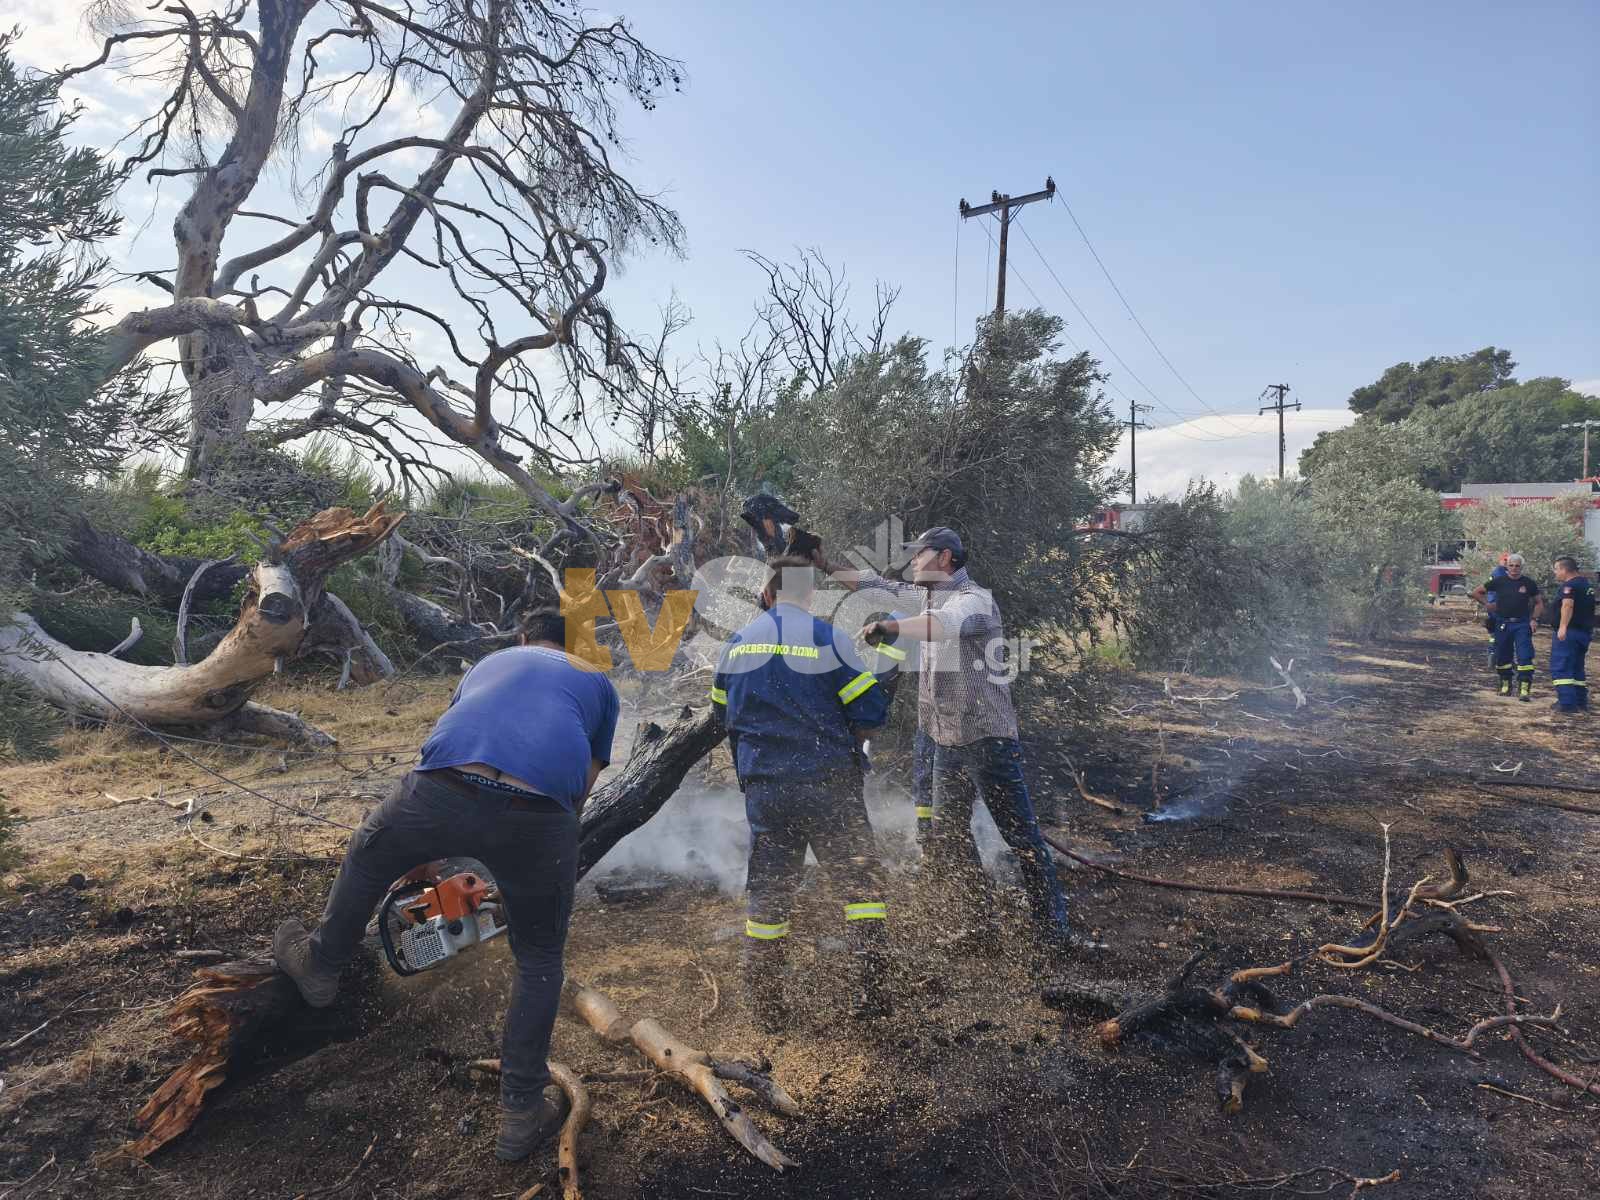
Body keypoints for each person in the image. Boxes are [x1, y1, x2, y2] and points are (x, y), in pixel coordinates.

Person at [272, 609, 619, 1163]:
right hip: (541, 816)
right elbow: (582, 785)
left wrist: (422, 851)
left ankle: (322, 964)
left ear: (523, 637)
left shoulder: (494, 660)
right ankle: (520, 1113)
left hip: (441, 789)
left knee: (367, 854)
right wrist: (538, 856)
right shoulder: (599, 682)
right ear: (572, 647)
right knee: (539, 958)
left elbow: (450, 741)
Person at [825, 527, 1095, 959]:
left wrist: (891, 626)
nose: (912, 560)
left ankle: (1054, 934)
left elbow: (939, 628)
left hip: (987, 741)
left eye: (920, 554)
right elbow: (875, 585)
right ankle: (981, 926)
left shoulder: (973, 600)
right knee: (949, 837)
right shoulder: (927, 595)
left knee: (1022, 839)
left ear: (946, 557)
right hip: (947, 740)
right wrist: (822, 562)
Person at [711, 555, 895, 1032]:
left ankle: (766, 1005)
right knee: (861, 889)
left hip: (767, 790)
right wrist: (888, 663)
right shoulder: (827, 638)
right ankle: (871, 993)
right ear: (811, 595)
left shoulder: (735, 646)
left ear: (767, 594)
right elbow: (871, 714)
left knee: (770, 895)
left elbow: (718, 718)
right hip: (829, 785)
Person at [1472, 554, 1542, 700]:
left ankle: (1524, 689)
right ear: (1506, 566)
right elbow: (1476, 592)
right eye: (1511, 565)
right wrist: (1487, 604)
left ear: (1522, 567)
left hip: (1522, 624)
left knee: (1525, 656)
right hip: (1502, 623)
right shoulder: (1499, 581)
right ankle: (1505, 685)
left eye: (1517, 565)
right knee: (1503, 656)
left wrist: (1534, 619)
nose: (1514, 568)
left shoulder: (1529, 583)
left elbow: (1539, 603)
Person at [1549, 555, 1592, 714]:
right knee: (1577, 669)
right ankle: (1580, 701)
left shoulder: (1570, 586)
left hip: (1569, 633)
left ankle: (1567, 704)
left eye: (1556, 569)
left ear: (1563, 569)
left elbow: (1567, 606)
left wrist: (1562, 627)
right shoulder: (1586, 585)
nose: (1555, 573)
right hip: (1583, 633)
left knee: (1561, 667)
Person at [1483, 553, 1509, 669]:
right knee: (1499, 633)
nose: (1507, 562)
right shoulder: (1500, 572)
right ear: (1500, 560)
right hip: (1497, 608)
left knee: (1496, 633)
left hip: (1496, 606)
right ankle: (1494, 657)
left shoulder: (1500, 572)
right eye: (1505, 560)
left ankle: (1494, 657)